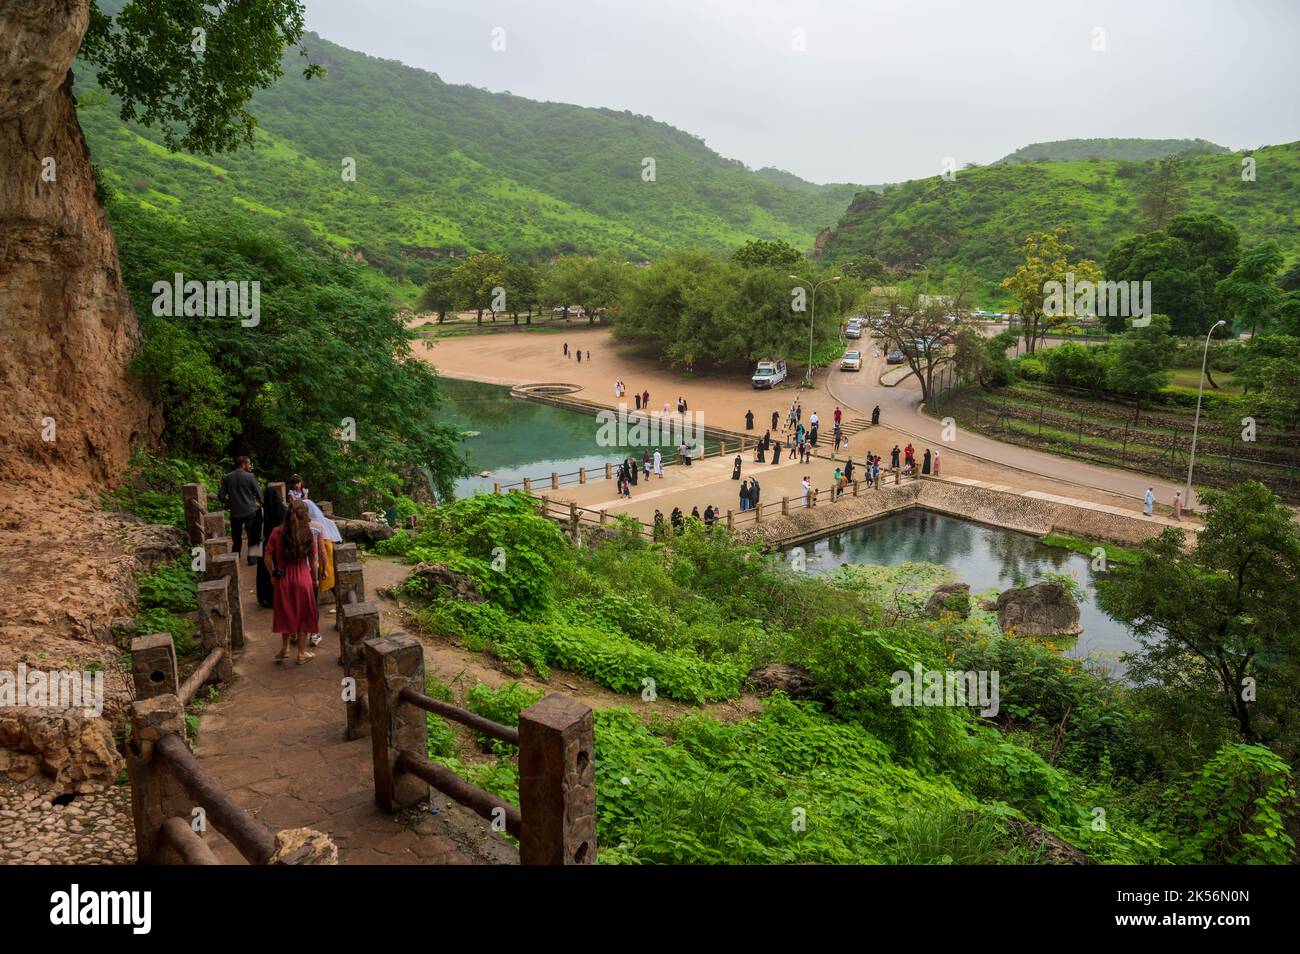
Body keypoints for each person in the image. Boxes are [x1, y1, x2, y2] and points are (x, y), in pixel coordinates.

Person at [267, 499, 320, 665]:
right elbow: (314, 560)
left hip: (283, 577)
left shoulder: (276, 532)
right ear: (305, 514)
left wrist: (273, 574)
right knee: (303, 614)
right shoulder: (309, 534)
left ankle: (286, 648)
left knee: (286, 612)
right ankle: (302, 654)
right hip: (303, 578)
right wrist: (315, 579)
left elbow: (267, 556)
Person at [218, 455, 263, 562]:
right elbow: (259, 494)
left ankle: (235, 557)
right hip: (250, 511)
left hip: (235, 512)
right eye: (249, 463)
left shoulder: (227, 477)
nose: (250, 466)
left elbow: (221, 496)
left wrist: (228, 502)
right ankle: (252, 558)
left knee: (236, 537)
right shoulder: (250, 476)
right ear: (243, 464)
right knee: (253, 535)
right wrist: (263, 503)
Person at [255, 485, 288, 608]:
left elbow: (256, 530)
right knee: (282, 569)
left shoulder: (261, 511)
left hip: (266, 545)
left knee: (265, 572)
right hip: (280, 544)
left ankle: (267, 598)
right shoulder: (283, 511)